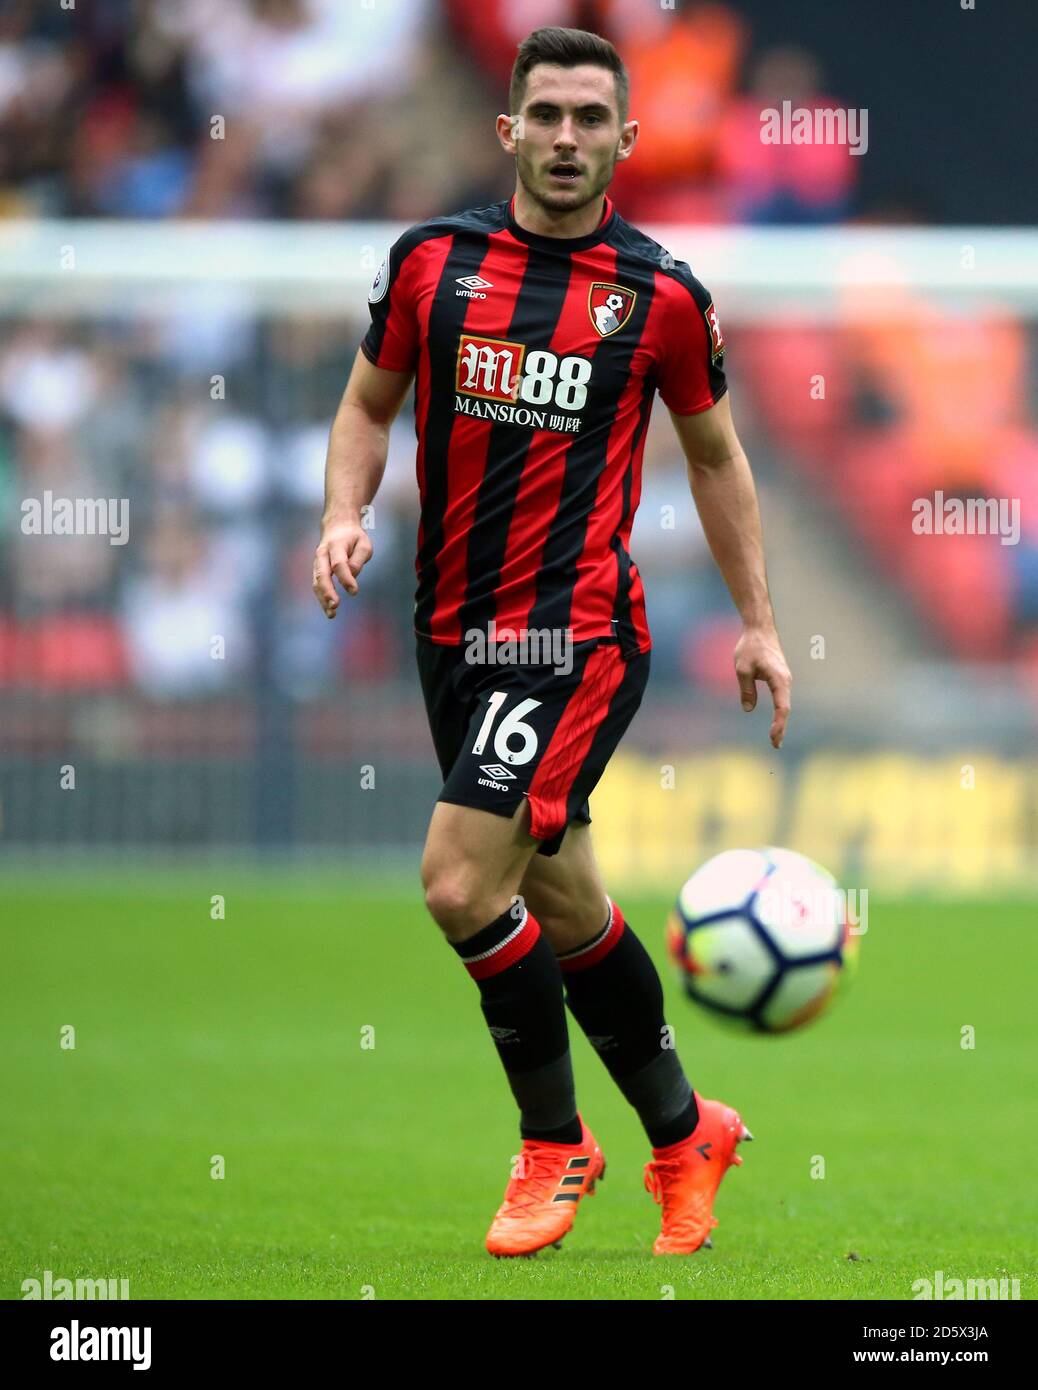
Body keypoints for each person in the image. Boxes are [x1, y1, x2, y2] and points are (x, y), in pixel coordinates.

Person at [312, 25, 791, 1258]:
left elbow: (718, 456)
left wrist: (757, 621)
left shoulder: (664, 296)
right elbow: (367, 404)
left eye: (592, 118)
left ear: (628, 139)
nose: (568, 138)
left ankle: (553, 1143)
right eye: (549, 116)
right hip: (447, 631)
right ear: (508, 129)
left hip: (571, 636)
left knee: (461, 881)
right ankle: (689, 1133)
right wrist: (341, 514)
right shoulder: (433, 263)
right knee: (564, 895)